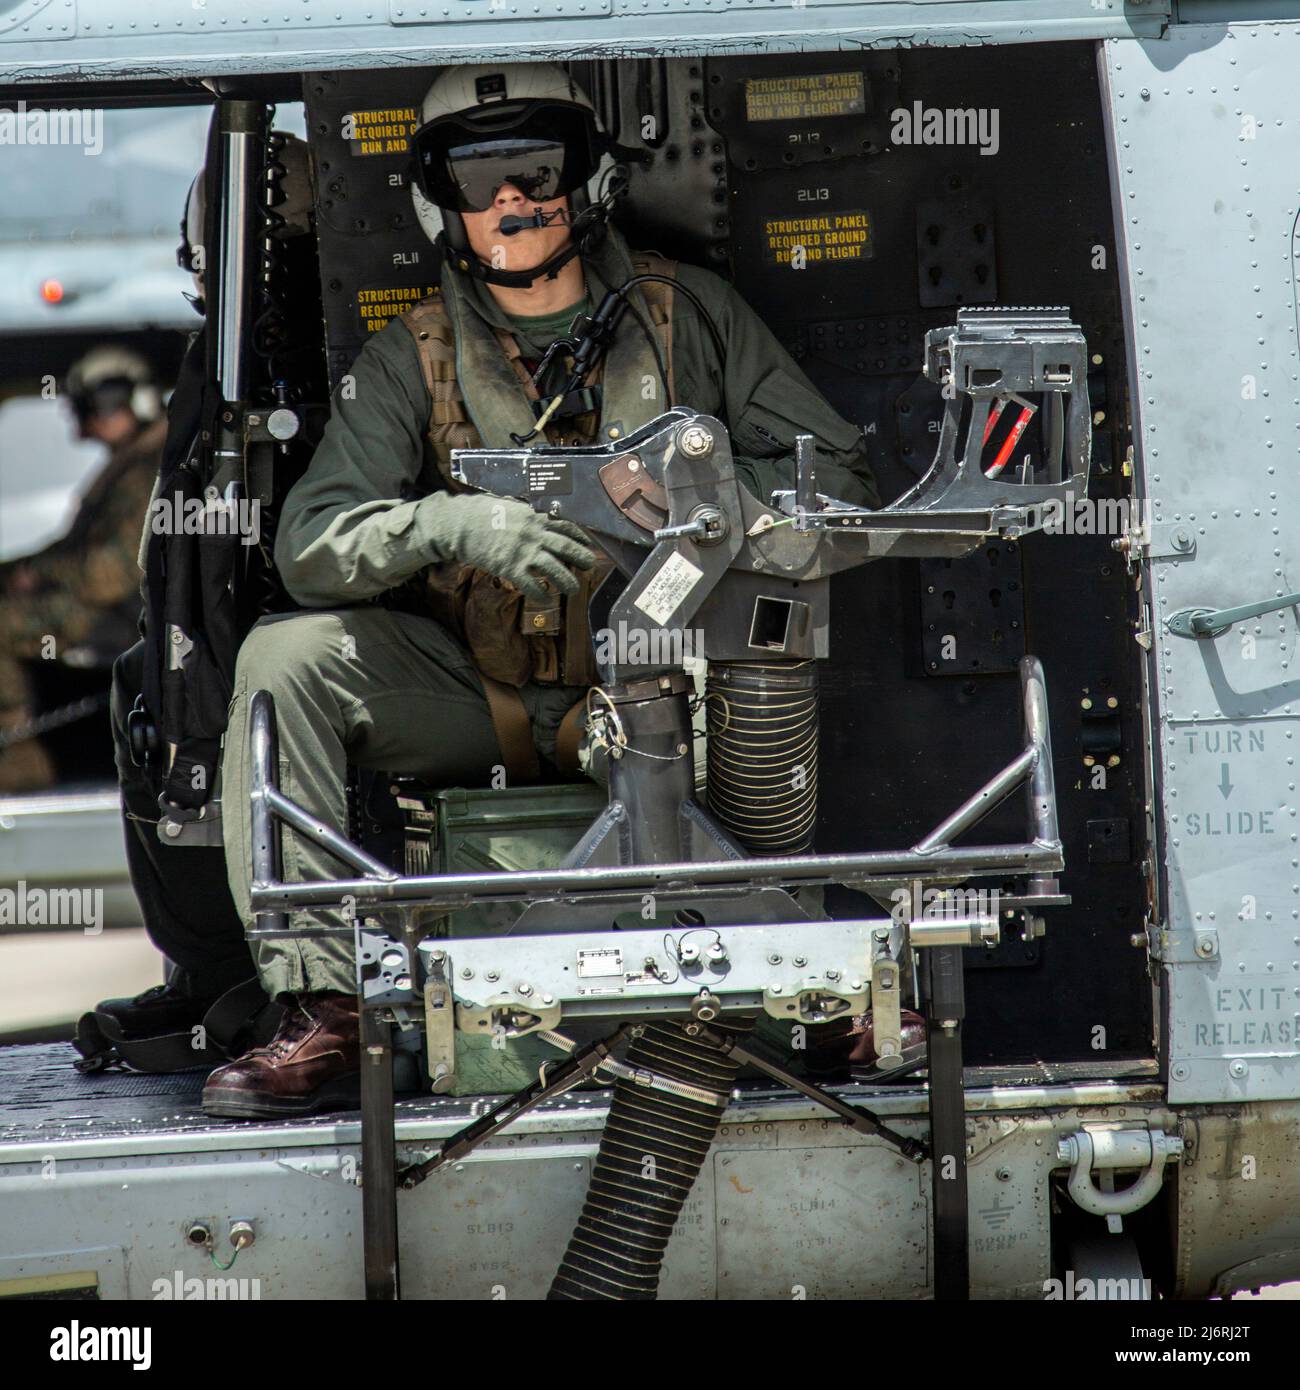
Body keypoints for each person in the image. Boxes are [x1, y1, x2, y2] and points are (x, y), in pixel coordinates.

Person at [202, 62, 881, 1119]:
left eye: (534, 167)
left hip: (680, 689)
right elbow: (312, 546)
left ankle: (804, 985)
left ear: (585, 180)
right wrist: (449, 521)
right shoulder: (411, 359)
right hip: (486, 696)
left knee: (770, 665)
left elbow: (841, 486)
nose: (511, 200)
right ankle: (324, 1007)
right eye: (478, 180)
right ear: (442, 205)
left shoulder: (688, 318)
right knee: (284, 661)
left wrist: (697, 498)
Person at [0, 347, 164, 793]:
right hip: (108, 613)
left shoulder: (157, 465)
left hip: (124, 621)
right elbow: (74, 551)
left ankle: (20, 757)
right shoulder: (129, 463)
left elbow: (109, 573)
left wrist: (45, 572)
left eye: (105, 400)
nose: (93, 415)